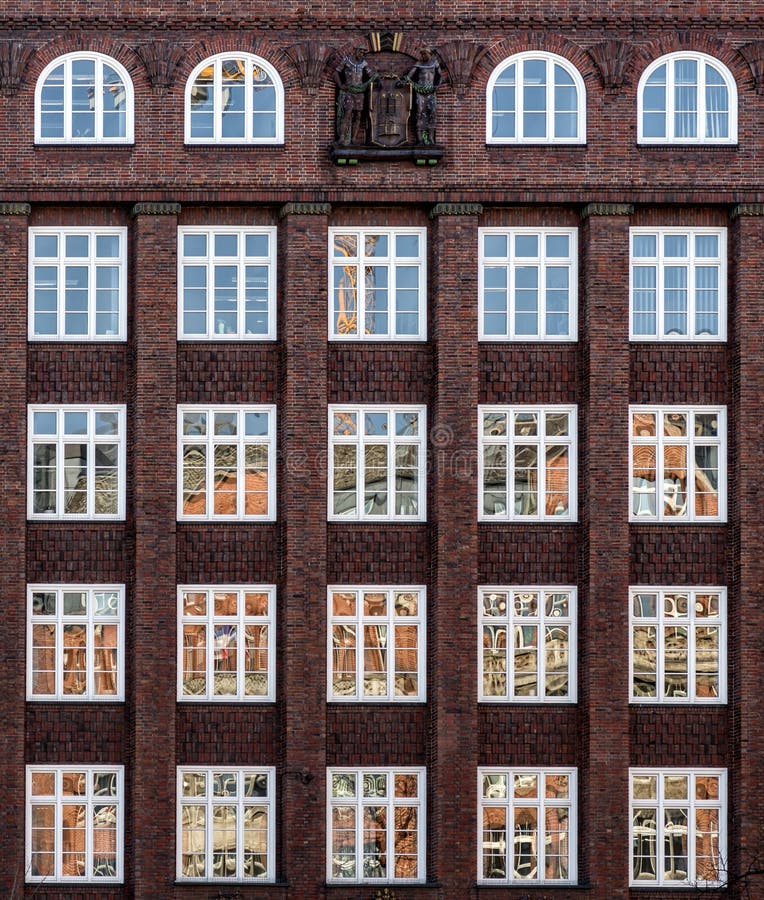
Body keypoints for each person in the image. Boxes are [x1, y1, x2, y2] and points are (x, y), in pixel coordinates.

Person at [334, 47, 375, 145]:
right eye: (360, 52)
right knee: (347, 113)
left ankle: (354, 138)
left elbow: (370, 74)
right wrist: (340, 85)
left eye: (363, 53)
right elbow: (336, 73)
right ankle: (342, 137)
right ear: (356, 51)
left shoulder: (364, 63)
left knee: (358, 115)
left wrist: (376, 77)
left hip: (359, 92)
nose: (361, 54)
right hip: (350, 90)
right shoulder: (347, 61)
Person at [405, 48, 441, 144]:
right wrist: (407, 80)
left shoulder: (435, 63)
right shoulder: (419, 64)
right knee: (419, 112)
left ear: (429, 54)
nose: (423, 56)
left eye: (425, 54)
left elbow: (439, 75)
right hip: (420, 91)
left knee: (432, 112)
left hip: (431, 91)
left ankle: (431, 137)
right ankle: (420, 138)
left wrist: (437, 85)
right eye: (422, 54)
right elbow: (410, 75)